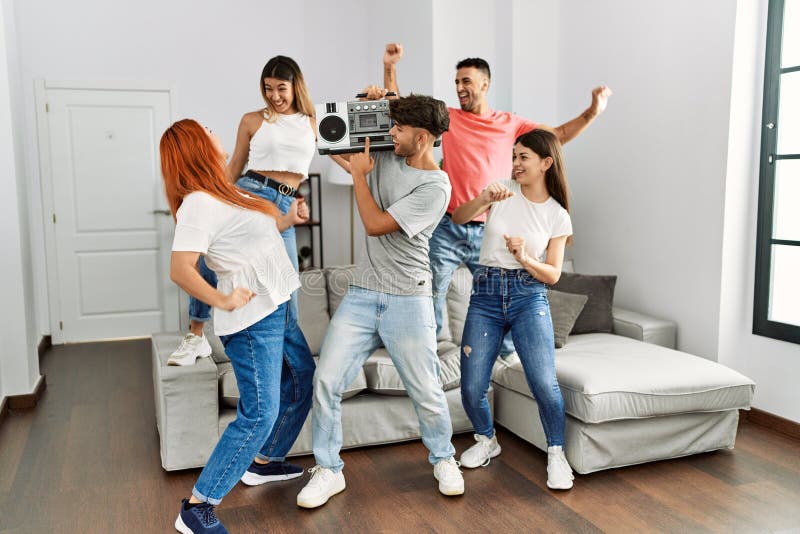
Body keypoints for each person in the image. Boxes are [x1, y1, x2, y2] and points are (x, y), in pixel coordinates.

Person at [382, 43, 611, 357]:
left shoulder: (510, 124)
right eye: (457, 82)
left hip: (491, 229)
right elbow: (403, 114)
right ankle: (429, 353)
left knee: (503, 295)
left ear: (485, 84)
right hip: (449, 224)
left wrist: (591, 112)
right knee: (430, 291)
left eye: (466, 81)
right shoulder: (447, 119)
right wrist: (390, 68)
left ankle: (504, 357)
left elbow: (555, 136)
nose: (460, 88)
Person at [295, 91, 465, 509]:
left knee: (425, 388)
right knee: (327, 381)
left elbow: (374, 224)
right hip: (362, 294)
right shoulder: (389, 155)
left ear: (423, 138)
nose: (392, 134)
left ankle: (444, 459)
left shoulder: (435, 187)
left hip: (408, 298)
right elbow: (336, 146)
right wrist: (368, 101)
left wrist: (358, 177)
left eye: (400, 129)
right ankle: (329, 470)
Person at [169, 56, 318, 486]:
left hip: (283, 204)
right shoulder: (253, 120)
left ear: (296, 87)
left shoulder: (311, 123)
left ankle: (265, 458)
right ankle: (196, 331)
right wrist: (207, 199)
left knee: (282, 286)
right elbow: (229, 171)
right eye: (268, 87)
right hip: (250, 192)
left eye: (281, 89)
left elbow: (351, 149)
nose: (273, 96)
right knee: (219, 263)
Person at [160, 119, 310, 533]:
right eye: (205, 129)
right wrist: (221, 300)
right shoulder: (197, 203)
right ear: (195, 147)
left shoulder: (227, 191)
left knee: (301, 380)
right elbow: (180, 269)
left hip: (275, 303)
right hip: (251, 321)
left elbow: (251, 239)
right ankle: (197, 506)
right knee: (259, 413)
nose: (215, 130)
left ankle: (265, 462)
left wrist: (288, 219)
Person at [451, 129, 574, 490]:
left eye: (524, 158)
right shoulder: (500, 190)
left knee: (543, 382)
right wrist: (483, 199)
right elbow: (458, 217)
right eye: (514, 156)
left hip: (528, 296)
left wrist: (525, 258)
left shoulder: (557, 215)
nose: (516, 164)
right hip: (486, 294)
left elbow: (552, 274)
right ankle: (487, 440)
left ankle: (556, 454)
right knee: (472, 386)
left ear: (545, 164)